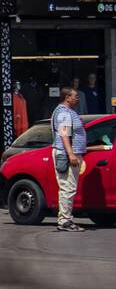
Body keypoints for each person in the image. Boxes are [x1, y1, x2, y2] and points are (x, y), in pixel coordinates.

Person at [51, 86, 87, 233]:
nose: (78, 99)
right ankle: (65, 221)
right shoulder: (64, 113)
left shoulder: (68, 112)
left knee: (67, 188)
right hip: (66, 155)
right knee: (68, 188)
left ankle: (65, 219)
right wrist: (71, 154)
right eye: (75, 96)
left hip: (68, 153)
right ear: (67, 98)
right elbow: (64, 135)